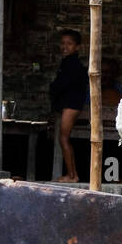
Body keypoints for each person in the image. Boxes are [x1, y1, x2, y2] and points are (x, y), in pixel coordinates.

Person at [49, 29, 88, 182]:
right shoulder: (67, 63)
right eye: (63, 43)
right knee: (63, 138)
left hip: (72, 104)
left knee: (64, 138)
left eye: (69, 44)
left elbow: (63, 85)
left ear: (77, 47)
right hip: (69, 103)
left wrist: (53, 88)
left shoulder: (73, 64)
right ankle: (72, 174)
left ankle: (72, 175)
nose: (65, 47)